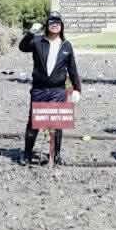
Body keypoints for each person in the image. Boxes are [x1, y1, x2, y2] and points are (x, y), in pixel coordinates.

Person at [19, 12, 82, 165]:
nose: (55, 25)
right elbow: (22, 47)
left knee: (57, 122)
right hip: (39, 89)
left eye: (58, 23)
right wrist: (30, 33)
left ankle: (56, 154)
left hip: (58, 90)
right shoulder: (38, 41)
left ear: (62, 26)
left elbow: (72, 68)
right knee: (34, 122)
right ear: (47, 25)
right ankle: (27, 154)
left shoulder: (66, 45)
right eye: (52, 22)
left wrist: (77, 89)